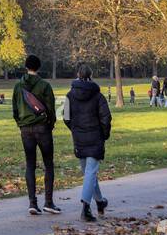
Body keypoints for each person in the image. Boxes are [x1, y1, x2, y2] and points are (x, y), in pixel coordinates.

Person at [63, 63, 112, 223]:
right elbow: (106, 117)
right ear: (91, 75)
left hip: (79, 138)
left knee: (89, 173)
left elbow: (66, 117)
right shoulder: (98, 96)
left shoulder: (70, 95)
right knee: (90, 173)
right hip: (94, 137)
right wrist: (104, 135)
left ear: (78, 74)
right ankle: (85, 207)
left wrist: (75, 129)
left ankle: (99, 202)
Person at [12, 54, 60, 216]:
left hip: (26, 129)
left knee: (30, 164)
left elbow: (15, 110)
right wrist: (50, 124)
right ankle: (48, 202)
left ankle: (32, 203)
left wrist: (21, 123)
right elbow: (51, 109)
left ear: (26, 67)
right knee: (48, 164)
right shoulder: (44, 85)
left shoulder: (18, 86)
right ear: (38, 67)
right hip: (42, 128)